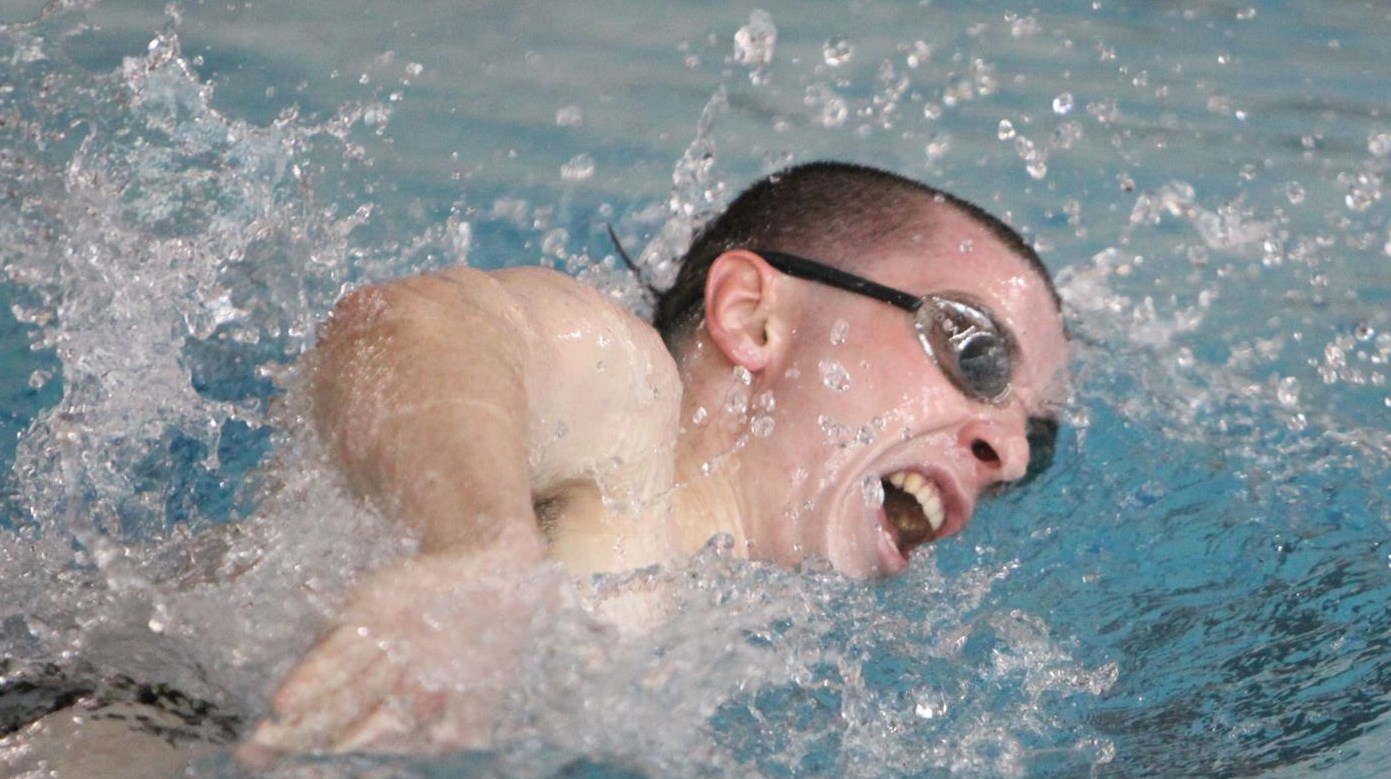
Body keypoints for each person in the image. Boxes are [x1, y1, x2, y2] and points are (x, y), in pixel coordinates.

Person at [237, 160, 1070, 761]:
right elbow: (413, 329)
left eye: (1038, 442)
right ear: (751, 317)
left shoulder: (742, 658)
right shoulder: (629, 413)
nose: (1008, 450)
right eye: (975, 352)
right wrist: (477, 551)